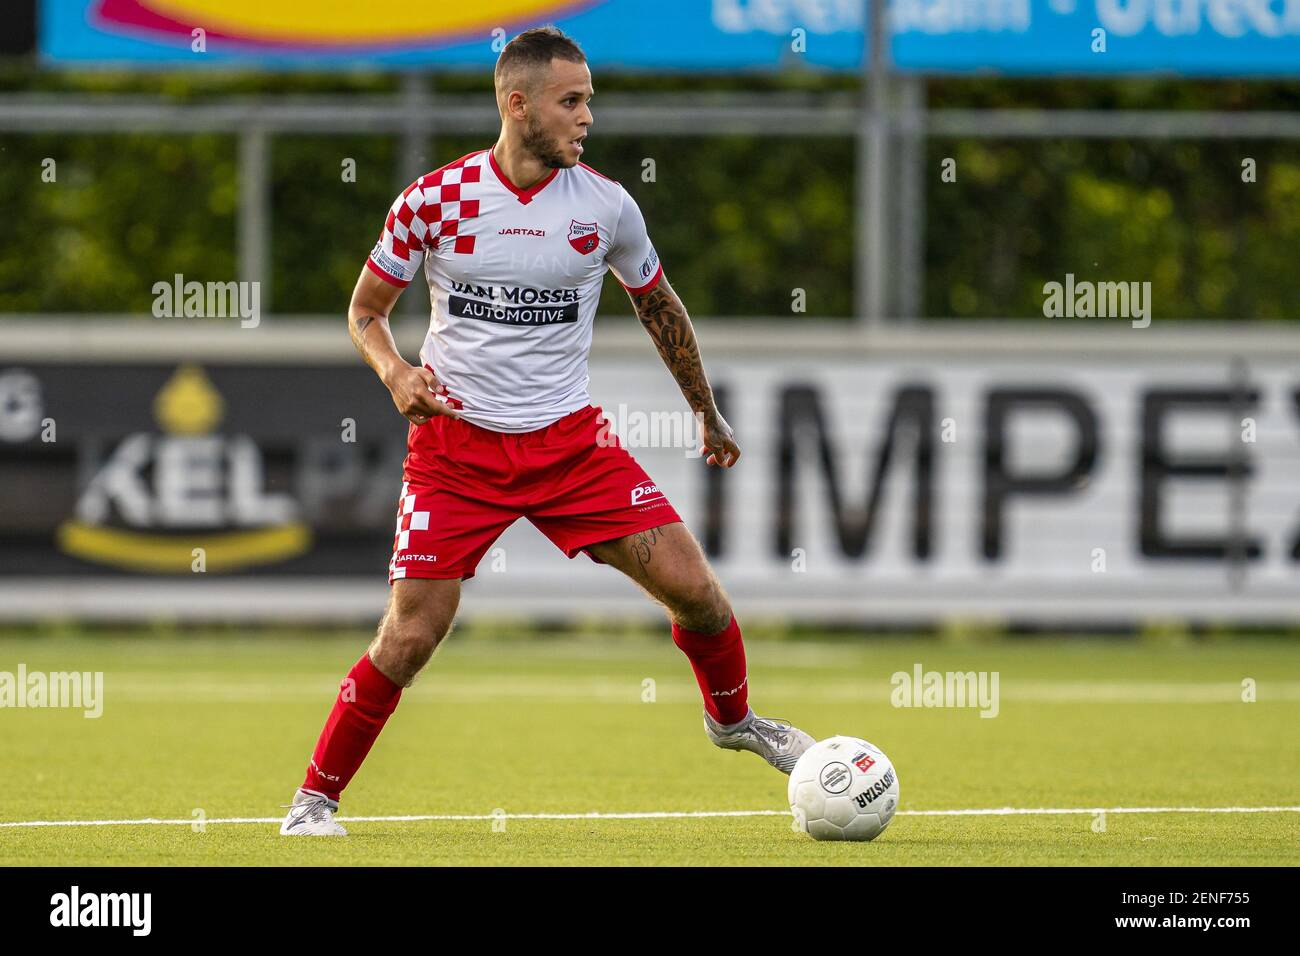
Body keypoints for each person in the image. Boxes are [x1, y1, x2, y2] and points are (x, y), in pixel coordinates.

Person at [280, 25, 813, 836]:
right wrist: (395, 373)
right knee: (411, 636)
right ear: (516, 103)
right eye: (572, 101)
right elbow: (365, 312)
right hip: (455, 455)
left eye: (589, 100)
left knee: (699, 594)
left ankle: (734, 721)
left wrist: (703, 407)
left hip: (572, 449)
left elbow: (659, 307)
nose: (587, 117)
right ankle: (313, 800)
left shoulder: (605, 207)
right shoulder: (435, 199)